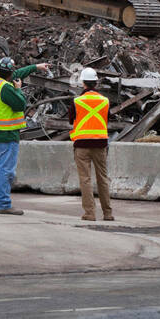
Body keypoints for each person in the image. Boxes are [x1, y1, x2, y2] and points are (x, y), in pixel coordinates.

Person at [0, 55, 50, 215]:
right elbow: (21, 104)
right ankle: (4, 204)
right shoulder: (6, 88)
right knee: (6, 171)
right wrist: (18, 89)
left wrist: (36, 67)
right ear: (8, 75)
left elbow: (17, 73)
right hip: (7, 135)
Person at [70, 68, 114, 223]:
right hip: (100, 144)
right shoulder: (105, 101)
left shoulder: (77, 101)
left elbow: (71, 120)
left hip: (81, 145)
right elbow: (107, 119)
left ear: (83, 83)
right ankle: (107, 213)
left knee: (85, 179)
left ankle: (90, 213)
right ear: (96, 83)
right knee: (103, 178)